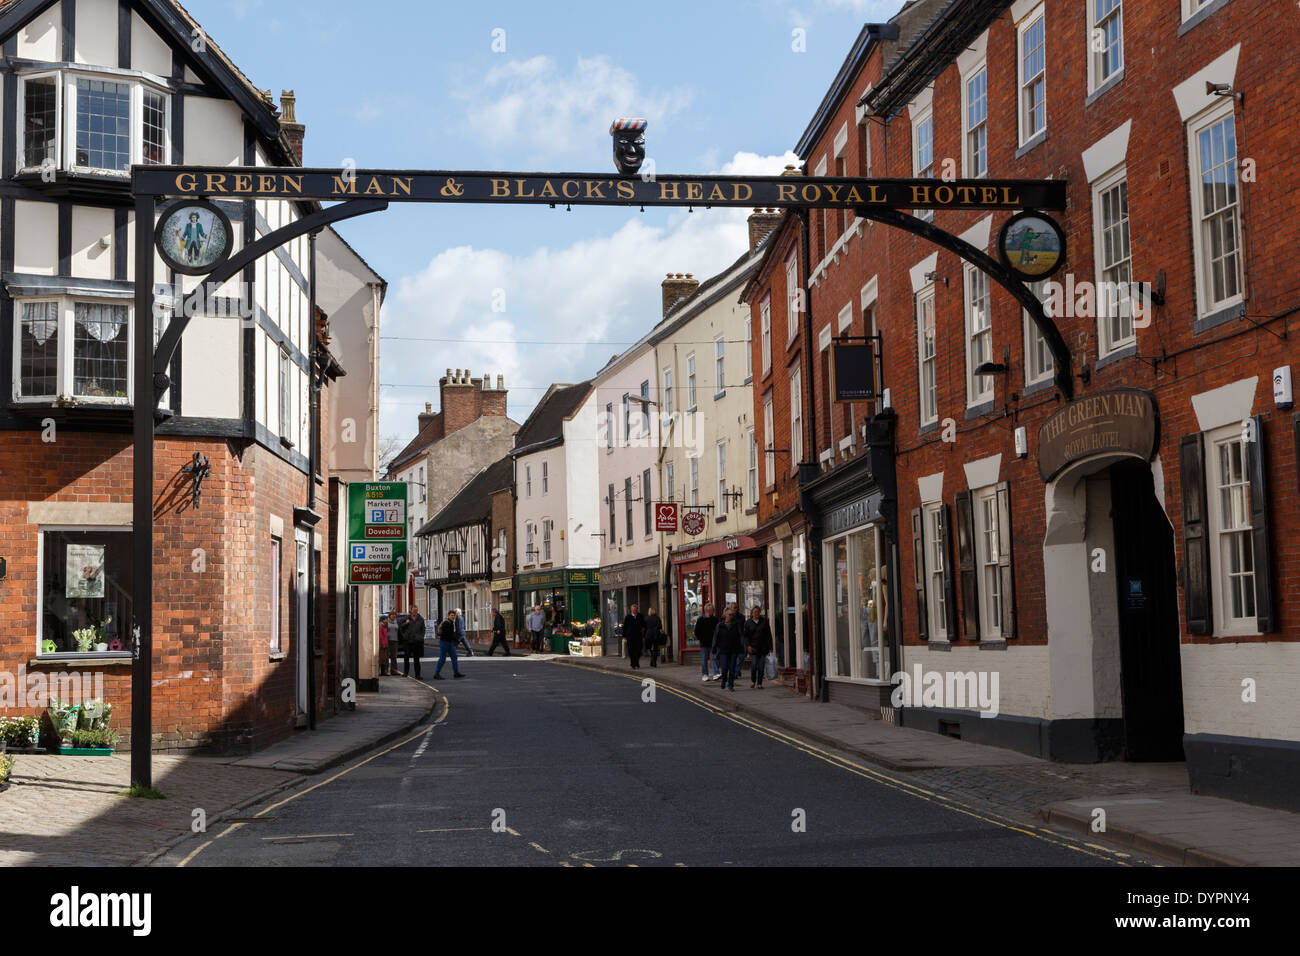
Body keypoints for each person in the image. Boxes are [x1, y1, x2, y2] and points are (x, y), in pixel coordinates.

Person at [713, 604, 745, 692]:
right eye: (729, 614)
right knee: (724, 668)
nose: (731, 616)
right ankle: (724, 680)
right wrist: (714, 648)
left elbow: (740, 636)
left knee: (732, 668)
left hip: (734, 649)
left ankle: (731, 685)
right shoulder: (720, 625)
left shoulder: (736, 624)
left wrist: (741, 647)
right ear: (725, 615)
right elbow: (715, 637)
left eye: (732, 615)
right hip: (723, 650)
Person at [744, 605, 774, 689]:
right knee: (754, 665)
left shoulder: (764, 622)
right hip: (753, 648)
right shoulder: (748, 623)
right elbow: (745, 636)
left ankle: (759, 683)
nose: (756, 613)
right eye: (754, 612)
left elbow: (768, 635)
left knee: (761, 667)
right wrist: (748, 646)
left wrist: (770, 647)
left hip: (763, 648)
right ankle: (753, 680)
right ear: (751, 613)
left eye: (758, 612)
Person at [433, 610, 465, 679]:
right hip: (444, 642)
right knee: (442, 658)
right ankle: (436, 673)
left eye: (454, 615)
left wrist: (456, 640)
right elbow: (447, 634)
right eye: (451, 615)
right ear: (448, 616)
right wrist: (457, 640)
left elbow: (452, 634)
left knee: (454, 657)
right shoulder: (446, 623)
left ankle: (456, 672)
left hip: (450, 643)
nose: (453, 617)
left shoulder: (451, 623)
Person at [695, 603, 719, 682]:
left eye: (713, 610)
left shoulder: (715, 619)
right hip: (704, 644)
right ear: (707, 611)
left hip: (713, 643)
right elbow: (696, 632)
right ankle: (705, 674)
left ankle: (716, 674)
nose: (713, 612)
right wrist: (701, 639)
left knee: (714, 658)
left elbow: (717, 631)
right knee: (704, 660)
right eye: (712, 610)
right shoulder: (700, 619)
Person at [401, 608, 425, 678]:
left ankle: (418, 675)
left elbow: (423, 629)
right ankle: (405, 673)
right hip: (407, 641)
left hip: (416, 641)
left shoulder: (421, 619)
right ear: (411, 611)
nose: (415, 612)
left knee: (416, 659)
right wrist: (406, 623)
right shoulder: (406, 618)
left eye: (416, 610)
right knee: (406, 658)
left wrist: (421, 637)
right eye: (413, 610)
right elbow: (401, 627)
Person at [622, 603, 646, 669]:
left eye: (635, 610)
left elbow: (644, 625)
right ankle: (633, 663)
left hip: (638, 636)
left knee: (638, 650)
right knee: (631, 650)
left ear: (637, 610)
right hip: (630, 636)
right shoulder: (628, 617)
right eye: (633, 610)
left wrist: (644, 635)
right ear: (631, 610)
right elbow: (625, 627)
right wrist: (624, 636)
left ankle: (636, 661)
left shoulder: (640, 616)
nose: (634, 611)